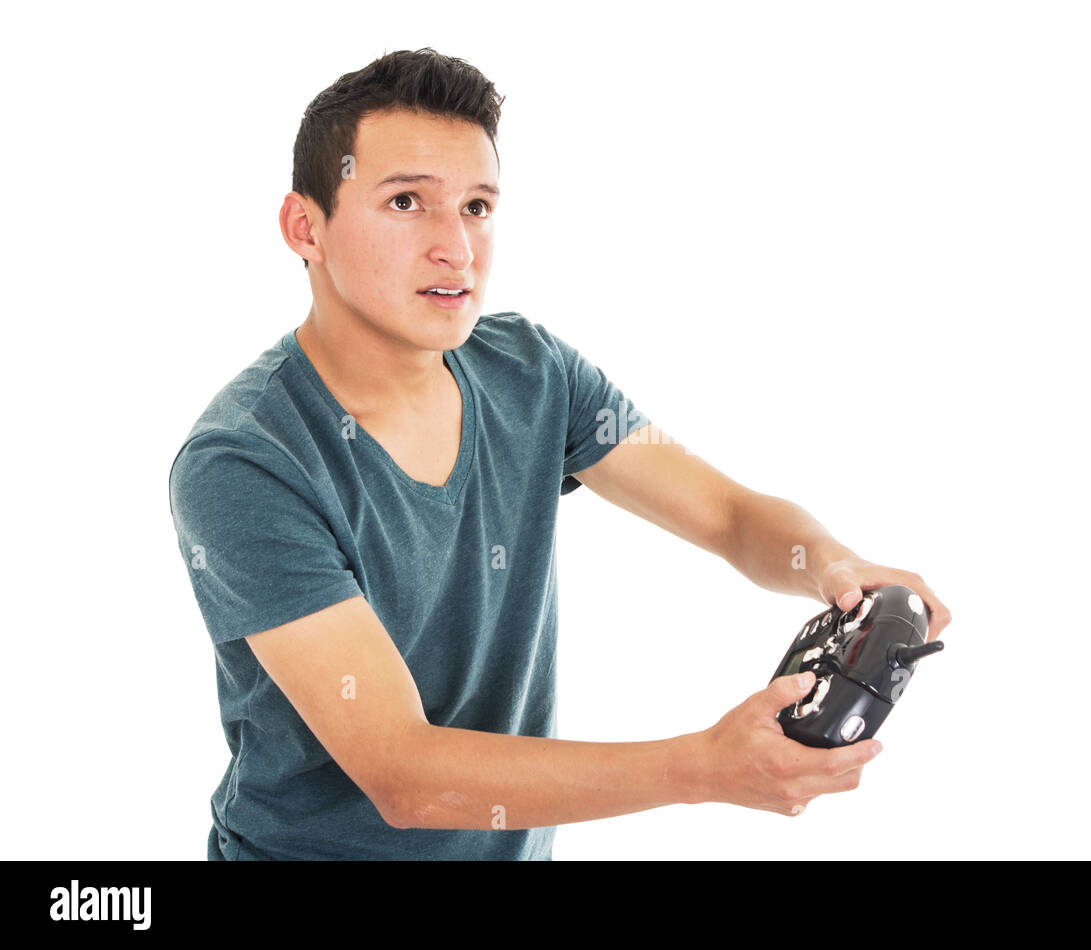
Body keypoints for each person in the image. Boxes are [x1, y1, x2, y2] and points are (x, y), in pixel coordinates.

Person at [168, 47, 952, 861]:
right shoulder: (244, 461)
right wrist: (703, 769)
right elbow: (405, 773)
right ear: (307, 226)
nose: (457, 249)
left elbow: (726, 515)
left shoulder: (531, 373)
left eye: (477, 206)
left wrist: (829, 562)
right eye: (407, 202)